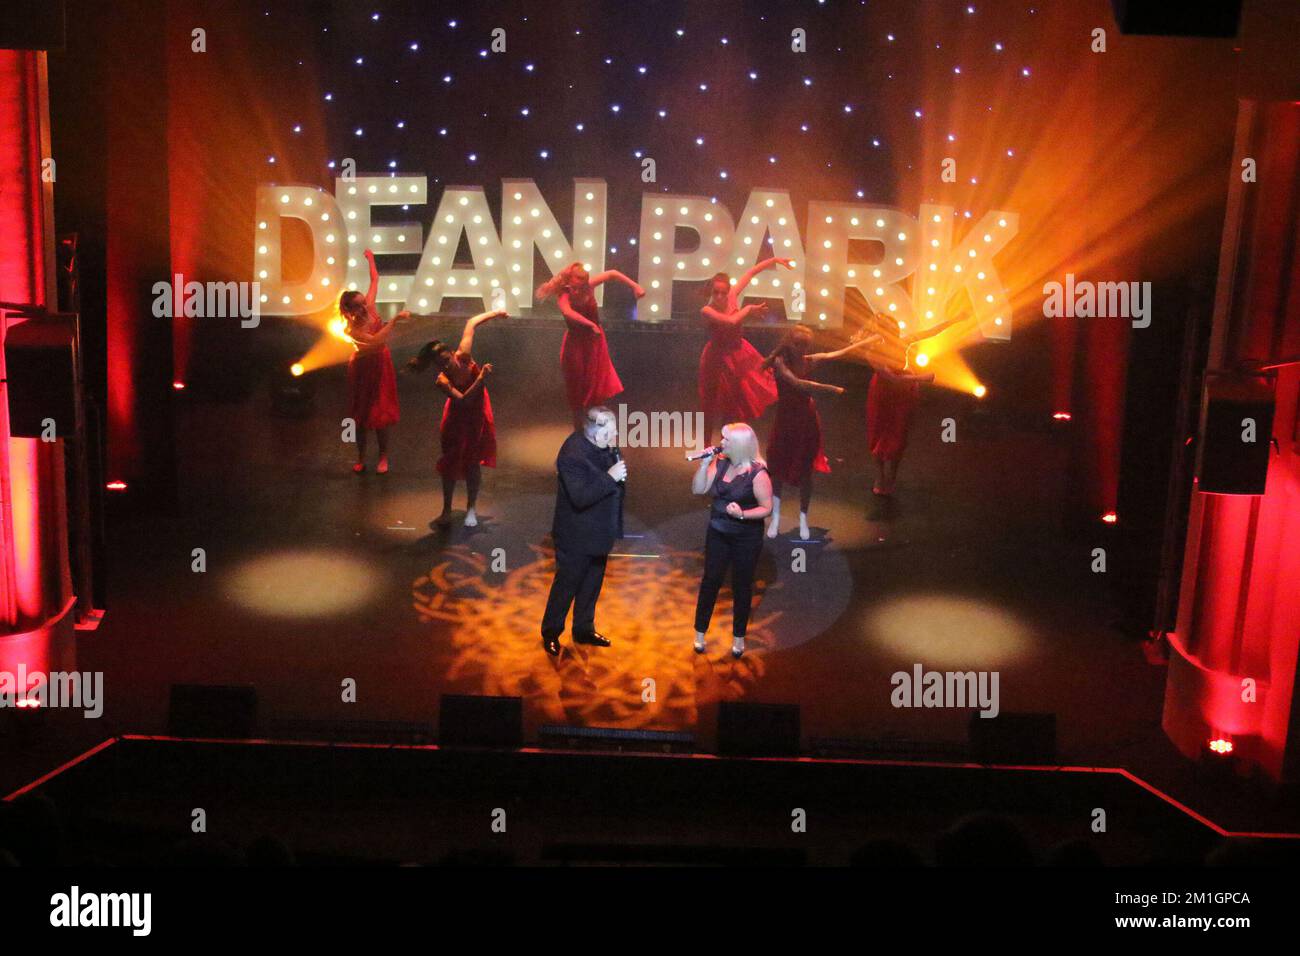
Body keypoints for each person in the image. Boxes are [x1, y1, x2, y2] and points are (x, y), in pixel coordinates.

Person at [759, 325, 866, 539]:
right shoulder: (781, 362)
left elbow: (835, 353)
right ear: (789, 342)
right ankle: (776, 517)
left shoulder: (808, 359)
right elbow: (797, 383)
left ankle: (803, 518)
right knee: (778, 470)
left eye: (805, 345)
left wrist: (866, 342)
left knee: (806, 472)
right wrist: (831, 389)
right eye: (798, 343)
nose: (801, 348)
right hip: (787, 420)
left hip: (807, 420)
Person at [407, 307, 508, 527]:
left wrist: (496, 313)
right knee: (451, 462)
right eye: (440, 363)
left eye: (446, 359)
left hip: (478, 414)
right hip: (457, 417)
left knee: (473, 463)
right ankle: (446, 509)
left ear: (452, 352)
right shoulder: (442, 380)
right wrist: (481, 378)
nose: (445, 364)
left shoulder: (464, 355)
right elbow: (463, 400)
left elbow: (471, 322)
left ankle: (471, 508)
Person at [540, 406, 626, 657]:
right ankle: (551, 632)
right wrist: (610, 478)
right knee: (566, 586)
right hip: (576, 536)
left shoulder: (607, 447)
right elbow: (579, 496)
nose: (616, 434)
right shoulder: (572, 454)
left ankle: (583, 629)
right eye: (611, 430)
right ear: (594, 432)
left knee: (591, 585)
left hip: (599, 533)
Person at [689, 422, 773, 658]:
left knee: (741, 585)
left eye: (726, 439)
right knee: (710, 581)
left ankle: (738, 638)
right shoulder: (721, 462)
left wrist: (743, 514)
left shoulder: (758, 473)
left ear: (739, 445)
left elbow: (767, 507)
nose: (721, 442)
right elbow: (698, 489)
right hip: (718, 531)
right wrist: (704, 464)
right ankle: (699, 634)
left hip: (746, 536)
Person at [536, 262, 644, 429]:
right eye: (580, 279)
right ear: (570, 280)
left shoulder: (589, 285)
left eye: (585, 279)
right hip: (576, 343)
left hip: (594, 341)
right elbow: (568, 312)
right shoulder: (564, 294)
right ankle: (579, 426)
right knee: (577, 383)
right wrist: (589, 324)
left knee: (595, 382)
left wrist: (635, 286)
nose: (584, 283)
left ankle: (594, 423)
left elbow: (613, 273)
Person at [862, 316, 960, 495]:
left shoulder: (904, 341)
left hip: (903, 393)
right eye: (890, 329)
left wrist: (954, 320)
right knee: (878, 434)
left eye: (896, 328)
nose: (896, 332)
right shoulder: (871, 351)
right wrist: (921, 378)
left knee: (899, 434)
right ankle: (880, 474)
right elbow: (891, 378)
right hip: (883, 394)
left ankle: (892, 476)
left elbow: (931, 332)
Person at [698, 258, 790, 441]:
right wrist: (748, 309)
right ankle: (706, 444)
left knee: (734, 403)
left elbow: (750, 272)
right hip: (716, 358)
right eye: (715, 292)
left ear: (727, 291)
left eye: (723, 292)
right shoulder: (706, 310)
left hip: (738, 353)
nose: (719, 296)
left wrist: (775, 259)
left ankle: (728, 443)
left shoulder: (732, 296)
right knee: (710, 402)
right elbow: (731, 321)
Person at [339, 248, 407, 474]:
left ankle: (383, 456)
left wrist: (370, 258)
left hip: (380, 364)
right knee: (361, 414)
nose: (364, 307)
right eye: (358, 305)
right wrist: (395, 319)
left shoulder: (370, 306)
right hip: (363, 368)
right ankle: (360, 456)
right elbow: (376, 340)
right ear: (349, 310)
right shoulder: (352, 329)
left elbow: (375, 278)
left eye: (363, 302)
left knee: (380, 413)